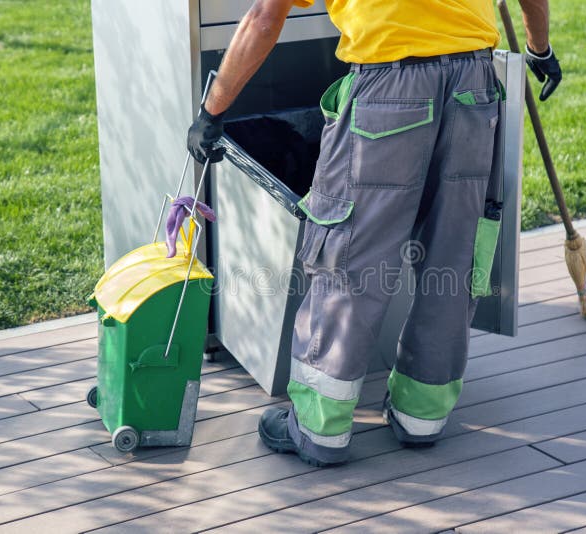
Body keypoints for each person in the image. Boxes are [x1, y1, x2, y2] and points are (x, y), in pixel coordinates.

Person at [188, 0, 563, 467]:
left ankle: (319, 426)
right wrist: (539, 48)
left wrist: (212, 110)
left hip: (392, 84)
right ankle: (421, 415)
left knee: (349, 254)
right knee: (453, 250)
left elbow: (265, 15)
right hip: (474, 82)